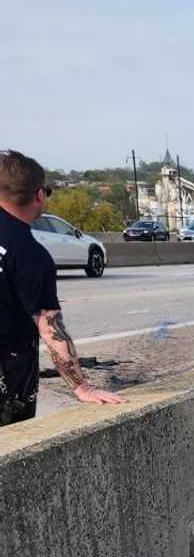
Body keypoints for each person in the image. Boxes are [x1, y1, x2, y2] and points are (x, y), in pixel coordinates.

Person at [0, 149, 124, 423]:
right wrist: (82, 386)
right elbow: (50, 328)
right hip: (8, 380)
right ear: (39, 194)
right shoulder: (30, 254)